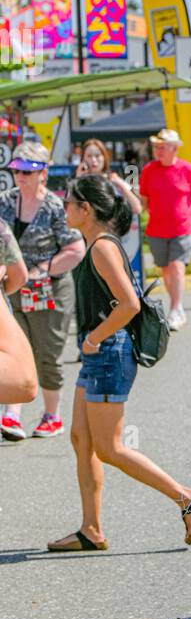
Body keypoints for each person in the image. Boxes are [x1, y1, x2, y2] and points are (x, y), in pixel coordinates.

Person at [47, 174, 191, 553]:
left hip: (107, 352)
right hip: (98, 353)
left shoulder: (101, 247)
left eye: (69, 202)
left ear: (86, 209)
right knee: (80, 439)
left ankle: (185, 497)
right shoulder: (96, 244)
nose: (64, 207)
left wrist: (96, 336)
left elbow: (130, 303)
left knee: (109, 448)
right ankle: (91, 529)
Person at [0, 141, 84, 440]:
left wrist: (43, 269)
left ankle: (52, 415)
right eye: (17, 170)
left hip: (48, 291)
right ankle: (11, 416)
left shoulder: (55, 206)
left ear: (43, 173)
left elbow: (75, 249)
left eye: (27, 171)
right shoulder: (5, 201)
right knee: (11, 351)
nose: (20, 176)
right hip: (11, 290)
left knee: (47, 354)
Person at [138, 129, 191, 332]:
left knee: (176, 266)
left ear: (174, 148)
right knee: (165, 270)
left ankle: (175, 308)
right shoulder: (149, 170)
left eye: (162, 147)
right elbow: (145, 200)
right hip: (157, 229)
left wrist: (185, 216)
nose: (158, 151)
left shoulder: (188, 169)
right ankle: (177, 306)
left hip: (182, 228)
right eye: (156, 147)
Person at [76, 137, 142, 223]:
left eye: (97, 155)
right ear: (83, 159)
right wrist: (78, 180)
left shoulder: (114, 180)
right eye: (89, 156)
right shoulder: (79, 183)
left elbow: (137, 208)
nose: (93, 160)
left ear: (104, 157)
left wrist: (121, 186)